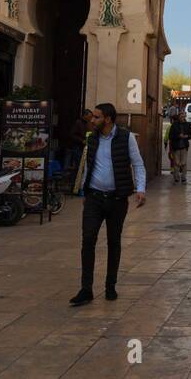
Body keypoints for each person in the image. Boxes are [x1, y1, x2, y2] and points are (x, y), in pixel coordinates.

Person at [71, 103, 146, 306]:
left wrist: (141, 189)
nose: (92, 120)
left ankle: (110, 286)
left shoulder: (126, 138)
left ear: (108, 119)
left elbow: (138, 164)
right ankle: (86, 289)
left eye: (96, 117)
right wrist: (85, 190)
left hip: (117, 200)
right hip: (94, 198)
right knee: (88, 240)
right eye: (92, 117)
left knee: (114, 242)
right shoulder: (92, 138)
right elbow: (89, 164)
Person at [66, 109, 90, 195]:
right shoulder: (78, 123)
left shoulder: (86, 123)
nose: (90, 118)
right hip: (77, 148)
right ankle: (74, 188)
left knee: (82, 168)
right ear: (85, 115)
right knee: (78, 168)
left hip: (83, 148)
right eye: (89, 116)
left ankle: (79, 187)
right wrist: (81, 141)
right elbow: (72, 134)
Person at [168, 109, 191, 184]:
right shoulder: (174, 125)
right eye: (181, 116)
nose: (183, 118)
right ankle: (176, 178)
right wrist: (178, 136)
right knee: (176, 163)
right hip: (176, 146)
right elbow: (170, 136)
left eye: (184, 116)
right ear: (179, 117)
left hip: (184, 146)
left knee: (184, 163)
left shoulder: (187, 125)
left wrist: (187, 136)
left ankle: (184, 178)